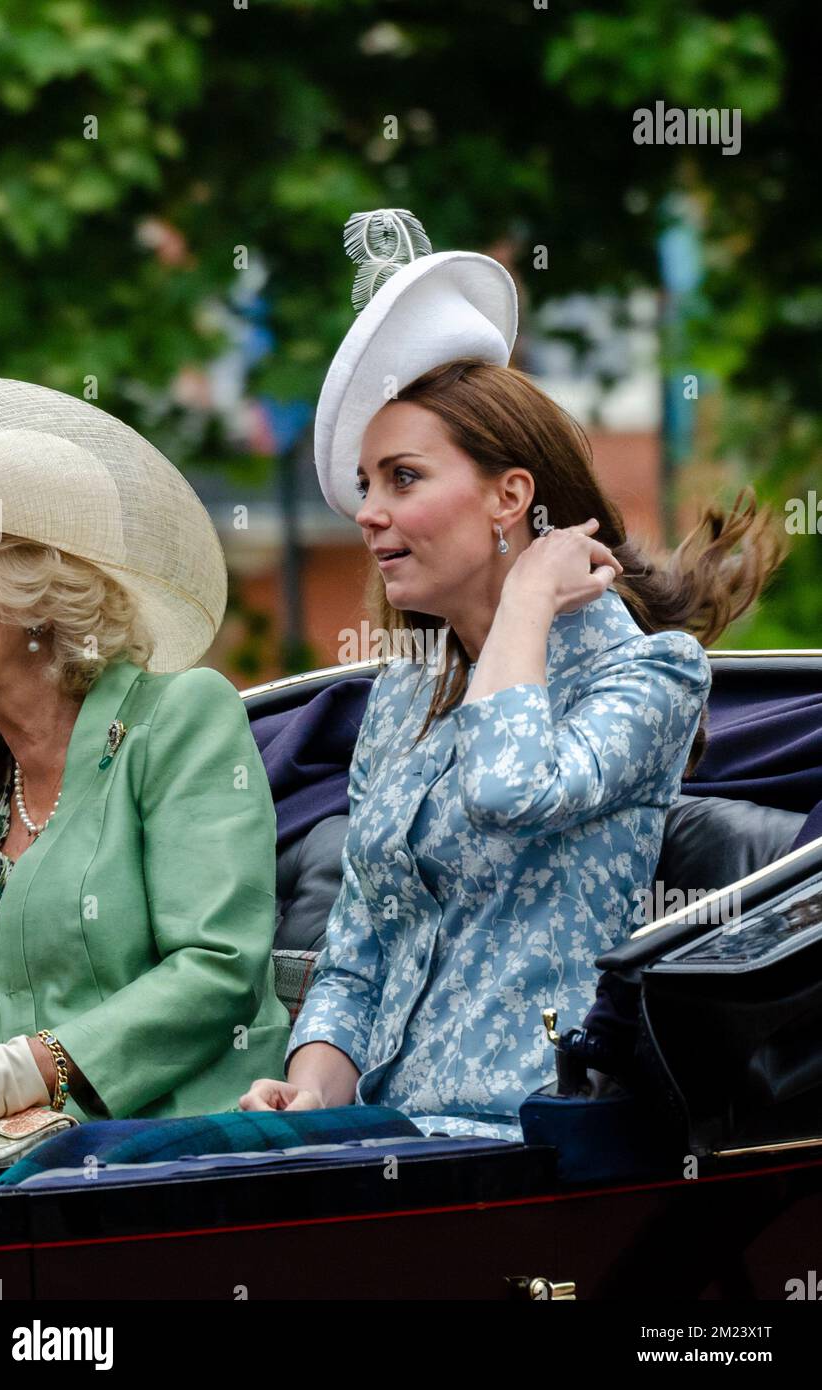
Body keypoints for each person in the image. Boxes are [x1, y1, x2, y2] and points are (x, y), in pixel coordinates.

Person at [241, 210, 783, 1141]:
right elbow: (361, 943)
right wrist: (310, 1087)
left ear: (512, 496)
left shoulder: (652, 675)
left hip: (516, 1141)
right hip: (378, 1133)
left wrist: (529, 597)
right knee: (110, 1174)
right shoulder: (406, 689)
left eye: (402, 478)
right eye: (367, 484)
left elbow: (507, 790)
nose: (369, 514)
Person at [0, 377, 290, 1131]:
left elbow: (218, 967)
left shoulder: (180, 722)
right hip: (1, 1180)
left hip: (176, 1164)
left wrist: (22, 1071)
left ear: (37, 599)